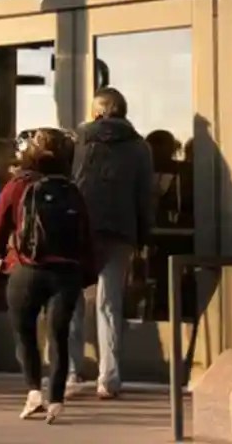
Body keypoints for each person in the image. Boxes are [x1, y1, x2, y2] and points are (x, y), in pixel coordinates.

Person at [0, 128, 96, 425]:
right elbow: (85, 236)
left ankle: (34, 392)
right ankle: (56, 400)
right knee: (58, 335)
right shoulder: (72, 189)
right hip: (66, 273)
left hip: (26, 270)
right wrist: (86, 273)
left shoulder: (17, 186)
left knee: (25, 334)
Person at [69, 87, 154, 399]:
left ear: (97, 112)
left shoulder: (78, 141)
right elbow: (145, 197)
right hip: (119, 231)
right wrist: (143, 237)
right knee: (109, 303)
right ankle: (109, 378)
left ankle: (71, 372)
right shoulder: (139, 147)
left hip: (79, 230)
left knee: (72, 300)